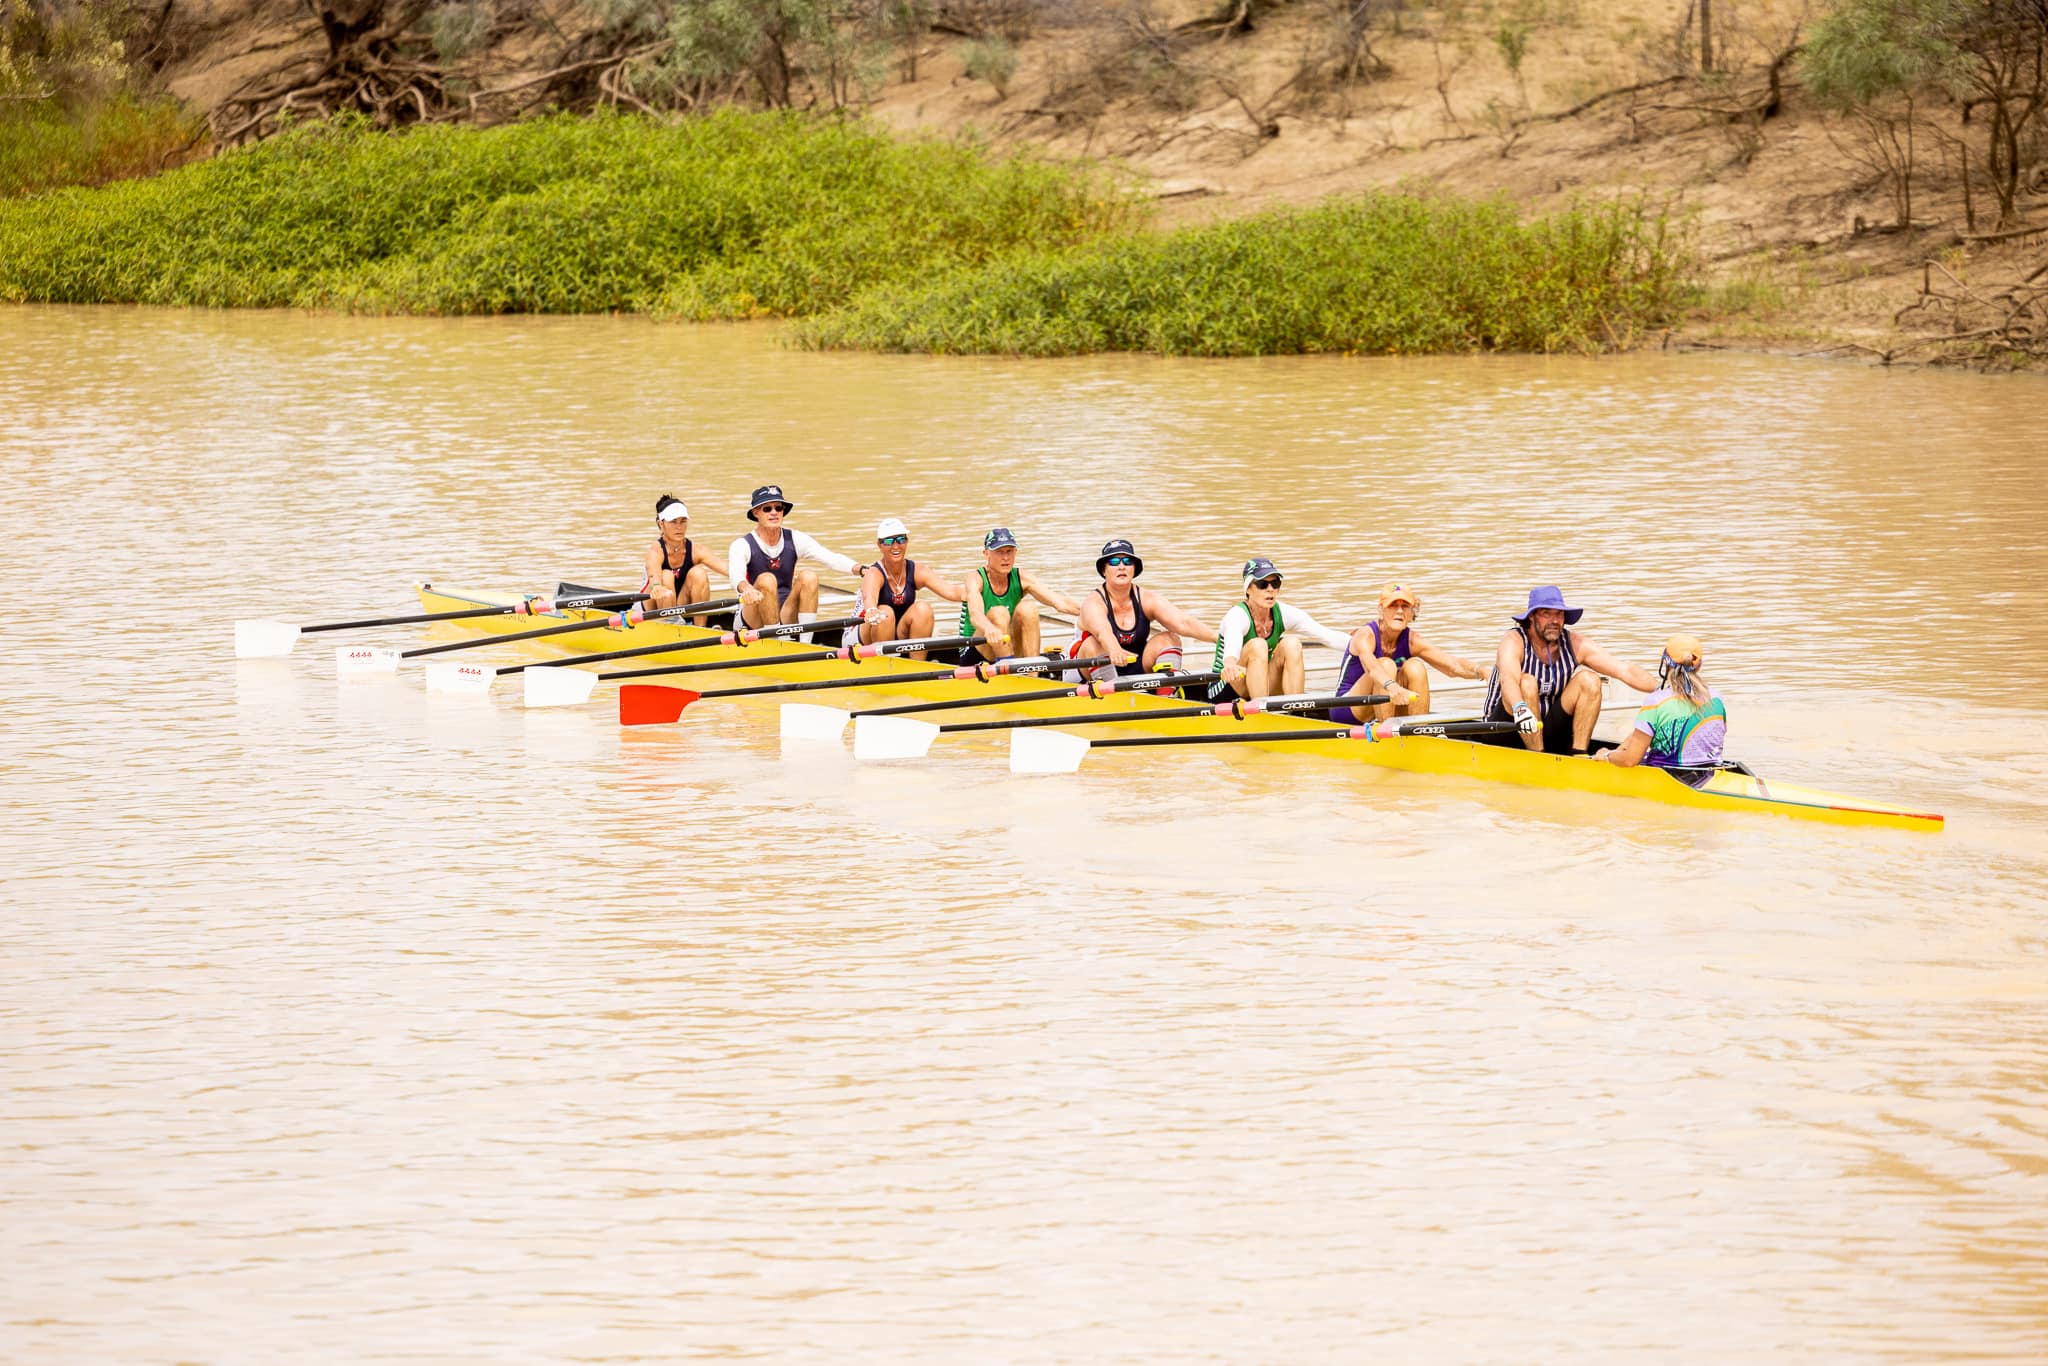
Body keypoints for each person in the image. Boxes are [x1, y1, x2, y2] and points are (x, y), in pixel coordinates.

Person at [1478, 586, 1660, 755]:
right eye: (1546, 614)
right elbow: (1508, 680)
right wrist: (1520, 708)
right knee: (1527, 683)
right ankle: (1539, 758)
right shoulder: (1514, 641)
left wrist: (1666, 691)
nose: (1555, 621)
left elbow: (1624, 670)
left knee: (1589, 680)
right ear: (1532, 616)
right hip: (1504, 728)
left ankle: (1578, 754)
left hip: (1545, 727)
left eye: (1559, 614)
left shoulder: (1574, 643)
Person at [1334, 580, 1488, 723]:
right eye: (1393, 605)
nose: (1400, 611)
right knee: (1386, 665)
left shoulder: (1412, 640)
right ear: (1381, 610)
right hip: (1348, 708)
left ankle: (1419, 731)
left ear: (1412, 612)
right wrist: (1392, 686)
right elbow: (1371, 668)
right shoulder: (1365, 635)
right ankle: (1387, 735)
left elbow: (1453, 666)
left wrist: (1483, 672)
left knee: (1415, 667)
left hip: (1387, 700)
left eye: (1405, 606)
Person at [1205, 557, 1353, 703]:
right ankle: (1262, 714)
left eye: (1275, 583)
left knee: (1292, 643)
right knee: (1258, 645)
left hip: (1259, 682)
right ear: (1248, 588)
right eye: (1263, 584)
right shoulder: (1237, 616)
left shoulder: (1283, 612)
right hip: (1226, 686)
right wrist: (1230, 664)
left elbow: (1325, 635)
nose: (1270, 589)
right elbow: (1232, 645)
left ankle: (1296, 709)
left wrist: (1359, 644)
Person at [1076, 538, 1214, 680]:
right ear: (1104, 570)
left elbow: (1183, 623)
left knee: (1170, 638)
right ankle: (1112, 696)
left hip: (1137, 664)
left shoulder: (1147, 598)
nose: (1122, 567)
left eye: (1128, 562)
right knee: (1093, 645)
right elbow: (1102, 632)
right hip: (1093, 669)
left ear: (1134, 569)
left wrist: (1219, 638)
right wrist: (1114, 649)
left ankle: (1167, 696)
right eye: (1114, 562)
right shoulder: (1093, 602)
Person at [726, 484, 859, 629]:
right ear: (756, 512)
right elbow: (736, 576)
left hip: (785, 614)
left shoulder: (795, 538)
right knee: (767, 580)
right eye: (767, 509)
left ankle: (805, 642)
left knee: (809, 576)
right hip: (752, 617)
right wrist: (747, 589)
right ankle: (775, 642)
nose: (774, 513)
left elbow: (831, 559)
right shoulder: (741, 545)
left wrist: (861, 569)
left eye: (779, 508)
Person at [1598, 633, 1728, 768]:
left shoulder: (1655, 701)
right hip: (1710, 769)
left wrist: (1607, 755)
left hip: (1667, 776)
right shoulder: (1715, 697)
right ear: (1699, 665)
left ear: (1665, 663)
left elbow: (1630, 761)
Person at [957, 527, 1083, 663]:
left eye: (1009, 551)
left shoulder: (1022, 577)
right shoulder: (976, 578)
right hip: (974, 652)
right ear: (986, 554)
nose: (1005, 558)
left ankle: (1032, 674)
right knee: (999, 613)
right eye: (999, 552)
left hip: (1005, 646)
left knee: (1028, 608)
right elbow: (975, 615)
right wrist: (989, 628)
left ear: (1015, 552)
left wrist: (1098, 615)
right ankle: (1009, 673)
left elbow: (1061, 603)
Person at [852, 517, 963, 659]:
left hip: (896, 633)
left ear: (907, 541)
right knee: (885, 613)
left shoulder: (917, 570)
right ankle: (884, 667)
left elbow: (951, 592)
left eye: (901, 539)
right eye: (888, 541)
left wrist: (975, 592)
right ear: (879, 545)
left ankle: (917, 666)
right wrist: (871, 609)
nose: (896, 546)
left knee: (923, 609)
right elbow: (870, 597)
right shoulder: (874, 573)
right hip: (861, 637)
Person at [641, 495, 728, 624]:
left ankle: (700, 629)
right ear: (661, 524)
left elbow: (727, 568)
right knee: (666, 575)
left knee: (699, 574)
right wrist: (657, 587)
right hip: (652, 607)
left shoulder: (695, 550)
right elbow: (654, 575)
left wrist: (749, 580)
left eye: (683, 521)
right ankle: (670, 625)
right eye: (673, 522)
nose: (679, 527)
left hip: (679, 604)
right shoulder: (655, 551)